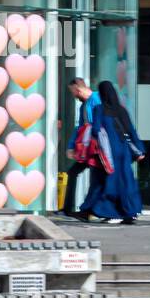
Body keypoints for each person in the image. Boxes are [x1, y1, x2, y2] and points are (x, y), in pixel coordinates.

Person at [75, 81, 145, 225]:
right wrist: (140, 150)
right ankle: (130, 212)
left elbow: (95, 130)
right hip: (123, 151)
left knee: (107, 182)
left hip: (108, 153)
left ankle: (109, 212)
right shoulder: (122, 110)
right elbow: (131, 131)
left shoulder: (99, 109)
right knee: (125, 181)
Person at [61, 77, 100, 217]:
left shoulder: (96, 99)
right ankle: (68, 209)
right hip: (87, 149)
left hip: (96, 148)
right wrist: (72, 146)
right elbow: (80, 128)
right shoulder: (84, 106)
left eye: (73, 92)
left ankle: (88, 210)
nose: (74, 95)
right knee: (72, 173)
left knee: (95, 178)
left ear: (78, 89)